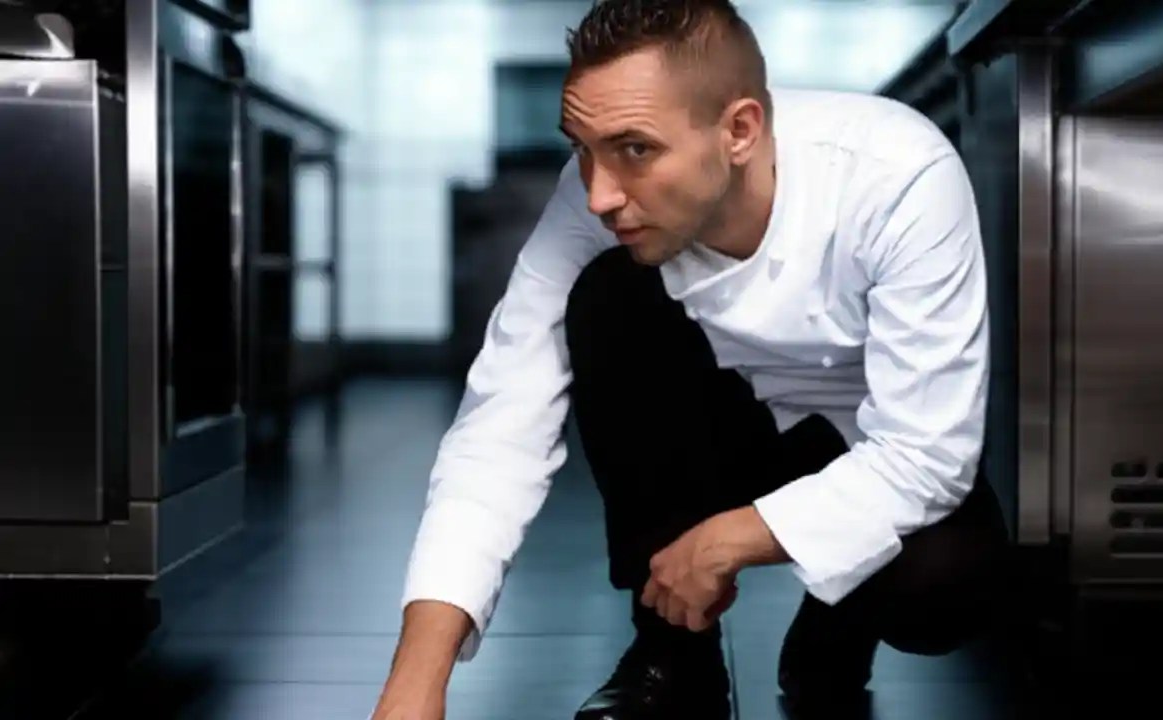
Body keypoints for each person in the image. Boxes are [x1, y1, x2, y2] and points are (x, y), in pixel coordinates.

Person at [371, 0, 1011, 718]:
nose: (599, 192)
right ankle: (674, 657)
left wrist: (731, 538)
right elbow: (499, 428)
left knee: (948, 586)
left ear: (740, 130)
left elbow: (927, 453)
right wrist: (415, 683)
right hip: (716, 424)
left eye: (634, 149)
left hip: (863, 442)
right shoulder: (589, 206)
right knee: (609, 295)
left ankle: (843, 612)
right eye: (582, 147)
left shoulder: (899, 173)